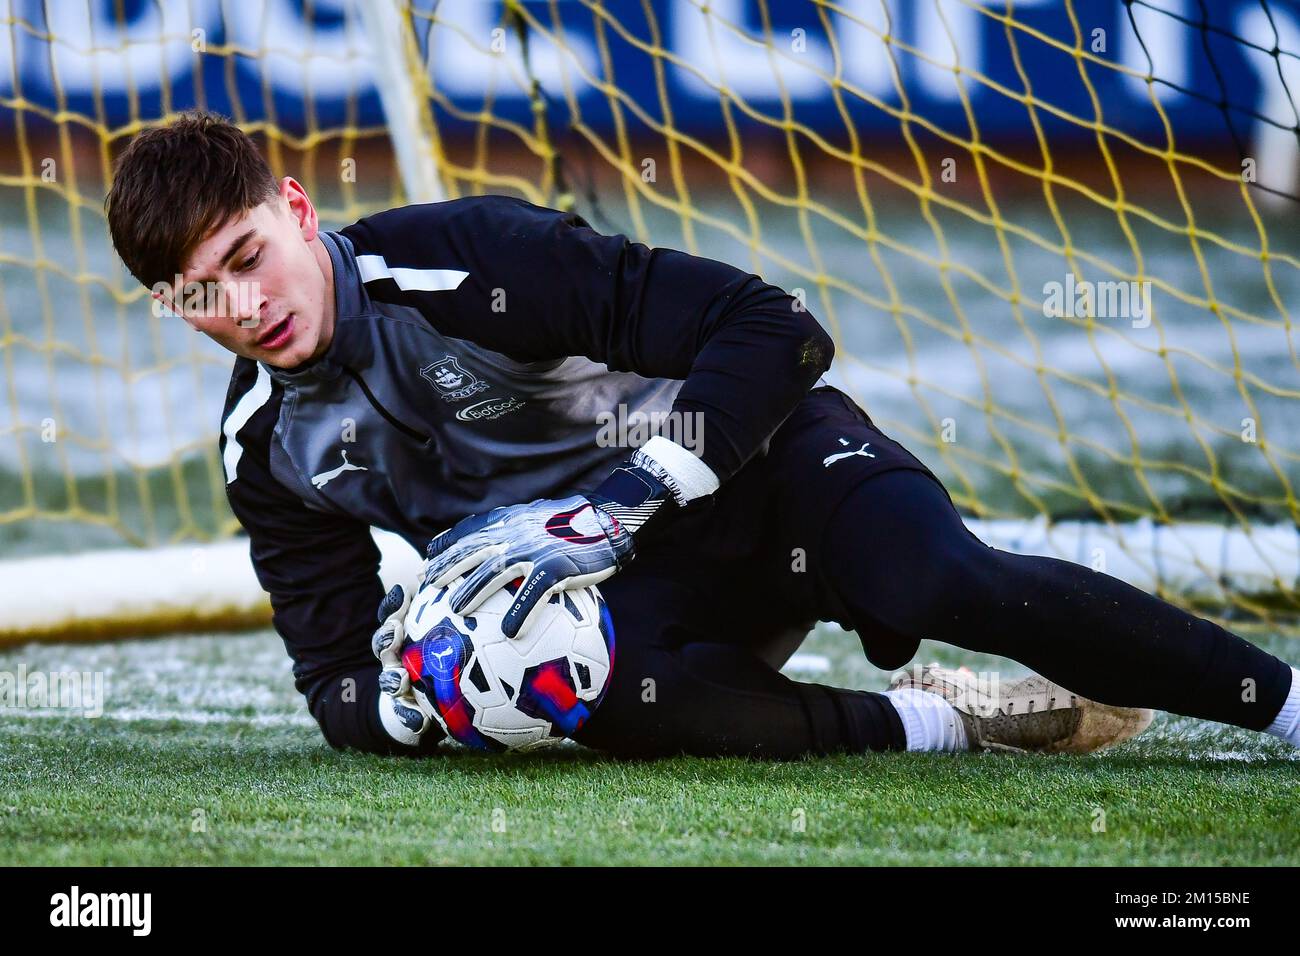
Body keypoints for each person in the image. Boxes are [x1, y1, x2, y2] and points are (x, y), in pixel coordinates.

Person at [104, 111, 1299, 759]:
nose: (242, 307)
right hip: (639, 593)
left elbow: (774, 327)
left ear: (297, 210)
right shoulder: (265, 449)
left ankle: (1288, 706)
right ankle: (960, 722)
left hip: (768, 466)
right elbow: (330, 673)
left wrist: (619, 494)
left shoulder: (470, 257)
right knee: (590, 703)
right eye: (197, 293)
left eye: (248, 258)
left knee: (938, 575)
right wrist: (408, 710)